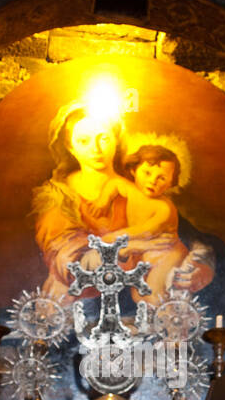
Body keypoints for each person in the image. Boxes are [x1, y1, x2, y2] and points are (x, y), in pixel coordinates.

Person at [31, 101, 129, 300]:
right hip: (75, 293)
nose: (96, 149)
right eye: (84, 141)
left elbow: (168, 234)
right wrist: (94, 259)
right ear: (70, 147)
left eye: (104, 139)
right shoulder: (58, 194)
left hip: (131, 291)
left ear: (116, 140)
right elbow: (58, 246)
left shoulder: (135, 190)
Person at [87, 143, 192, 304]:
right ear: (133, 170)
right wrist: (103, 200)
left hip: (167, 252)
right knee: (138, 295)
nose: (153, 181)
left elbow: (144, 231)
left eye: (162, 177)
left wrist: (110, 238)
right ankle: (151, 324)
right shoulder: (130, 189)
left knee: (154, 292)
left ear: (171, 183)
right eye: (147, 173)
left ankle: (167, 324)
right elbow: (114, 183)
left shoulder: (164, 208)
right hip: (145, 251)